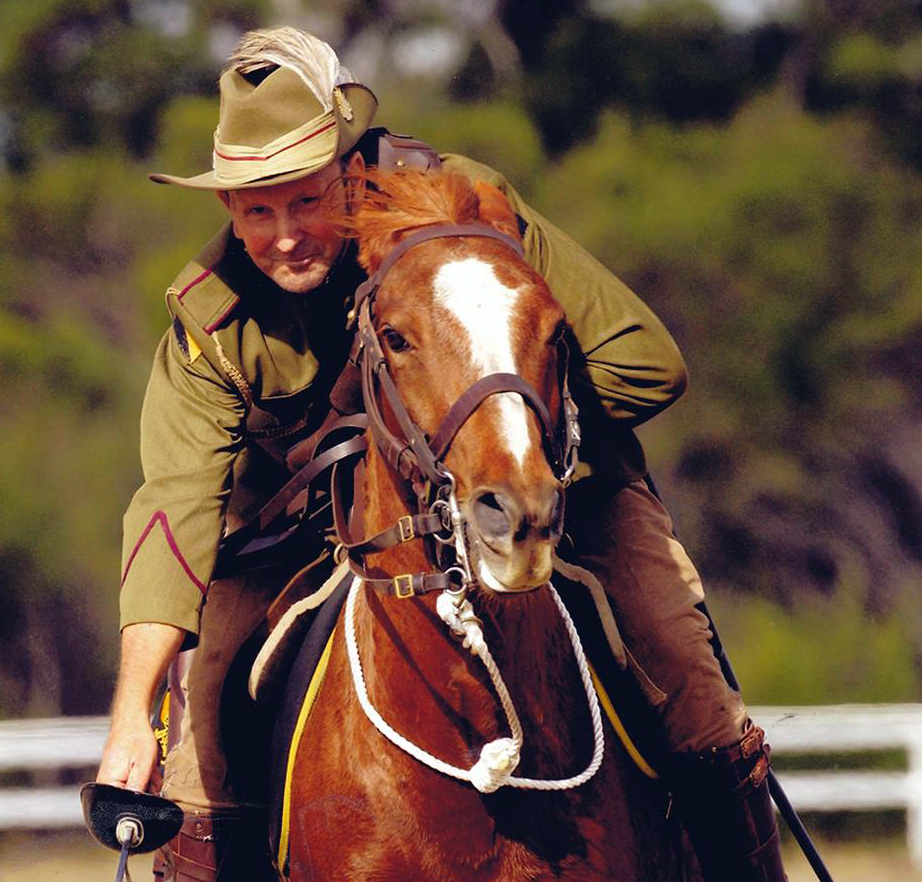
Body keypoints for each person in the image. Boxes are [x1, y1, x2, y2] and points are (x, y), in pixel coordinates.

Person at [96, 26, 786, 882]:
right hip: (296, 531)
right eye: (256, 210)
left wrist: (515, 441)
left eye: (306, 201)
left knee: (688, 677)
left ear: (349, 173)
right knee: (200, 742)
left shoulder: (462, 208)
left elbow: (646, 364)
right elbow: (174, 506)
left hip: (544, 489)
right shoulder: (212, 317)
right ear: (227, 210)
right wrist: (131, 718)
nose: (283, 236)